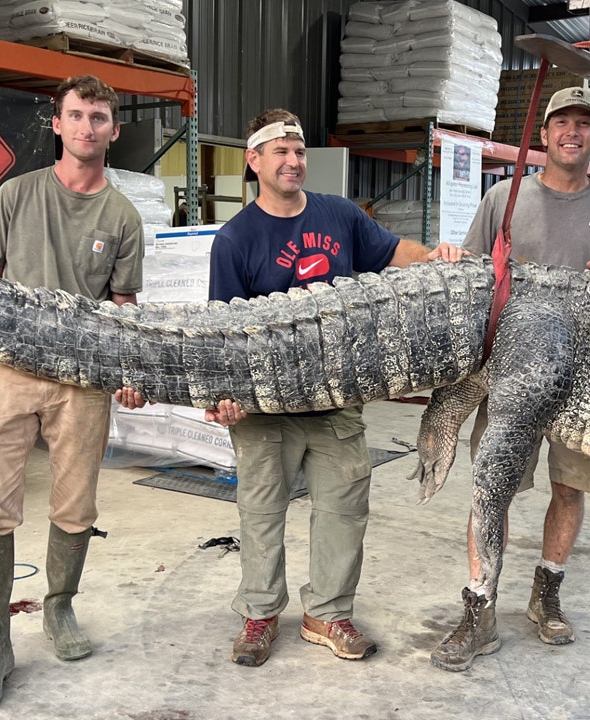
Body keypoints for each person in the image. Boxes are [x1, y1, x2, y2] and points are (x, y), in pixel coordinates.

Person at [0, 75, 148, 711]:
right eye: (77, 115)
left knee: (76, 506)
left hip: (82, 382)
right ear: (58, 123)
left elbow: (122, 309)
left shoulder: (122, 217)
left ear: (113, 130)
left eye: (99, 117)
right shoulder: (16, 194)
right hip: (6, 372)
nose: (87, 127)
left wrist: (130, 369)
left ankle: (59, 608)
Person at [204, 108, 464, 668]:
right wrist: (223, 398)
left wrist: (435, 256)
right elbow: (223, 332)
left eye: (299, 151)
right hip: (265, 410)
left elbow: (393, 252)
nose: (293, 161)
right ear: (254, 161)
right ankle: (260, 613)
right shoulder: (234, 239)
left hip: (336, 402)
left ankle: (328, 613)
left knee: (344, 510)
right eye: (281, 151)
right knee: (261, 513)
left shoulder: (340, 215)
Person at [431, 85, 590, 672]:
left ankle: (546, 592)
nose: (572, 132)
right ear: (545, 133)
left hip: (589, 383)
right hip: (511, 377)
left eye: (585, 123)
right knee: (492, 488)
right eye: (562, 122)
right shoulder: (504, 199)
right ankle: (479, 606)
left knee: (570, 489)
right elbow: (473, 279)